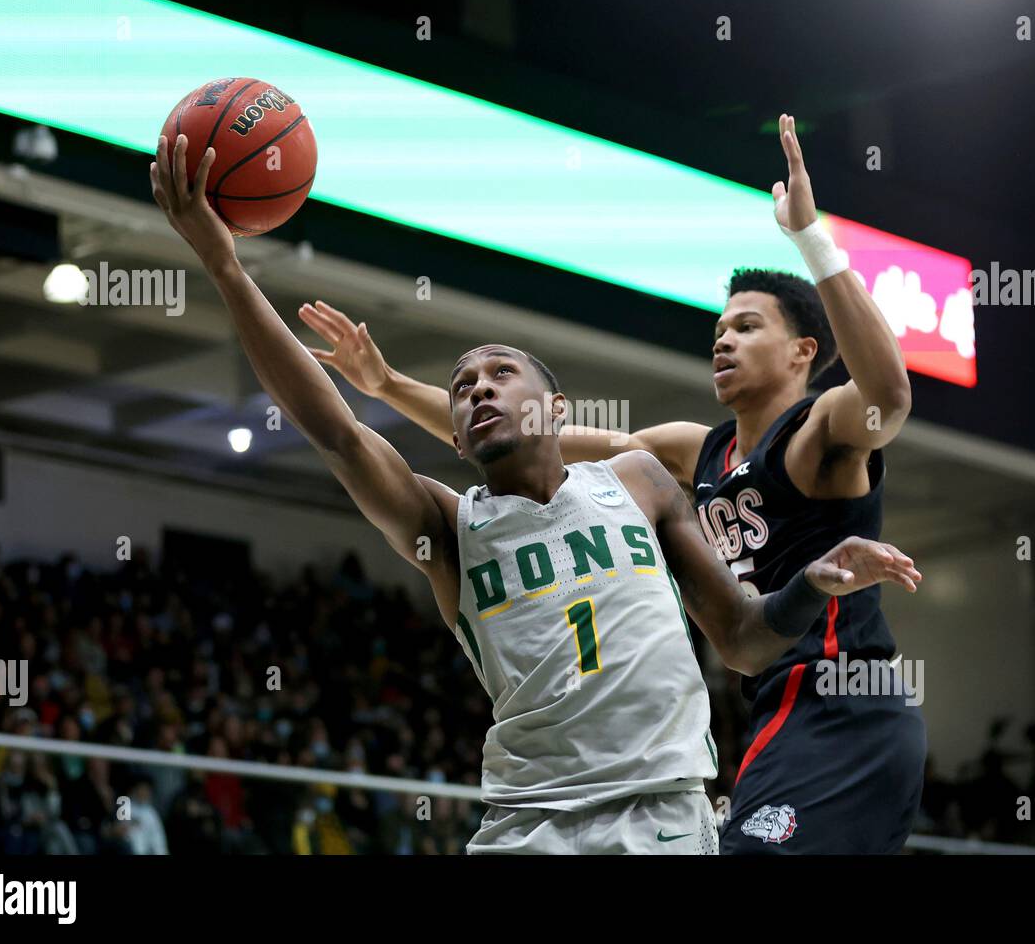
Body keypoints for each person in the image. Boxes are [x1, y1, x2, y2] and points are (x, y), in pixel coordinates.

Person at [149, 132, 921, 854]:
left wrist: (811, 582)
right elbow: (340, 434)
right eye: (461, 388)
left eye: (498, 375)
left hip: (678, 804)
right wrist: (227, 270)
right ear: (454, 436)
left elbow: (746, 639)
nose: (476, 390)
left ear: (556, 410)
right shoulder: (450, 524)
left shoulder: (643, 479)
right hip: (527, 824)